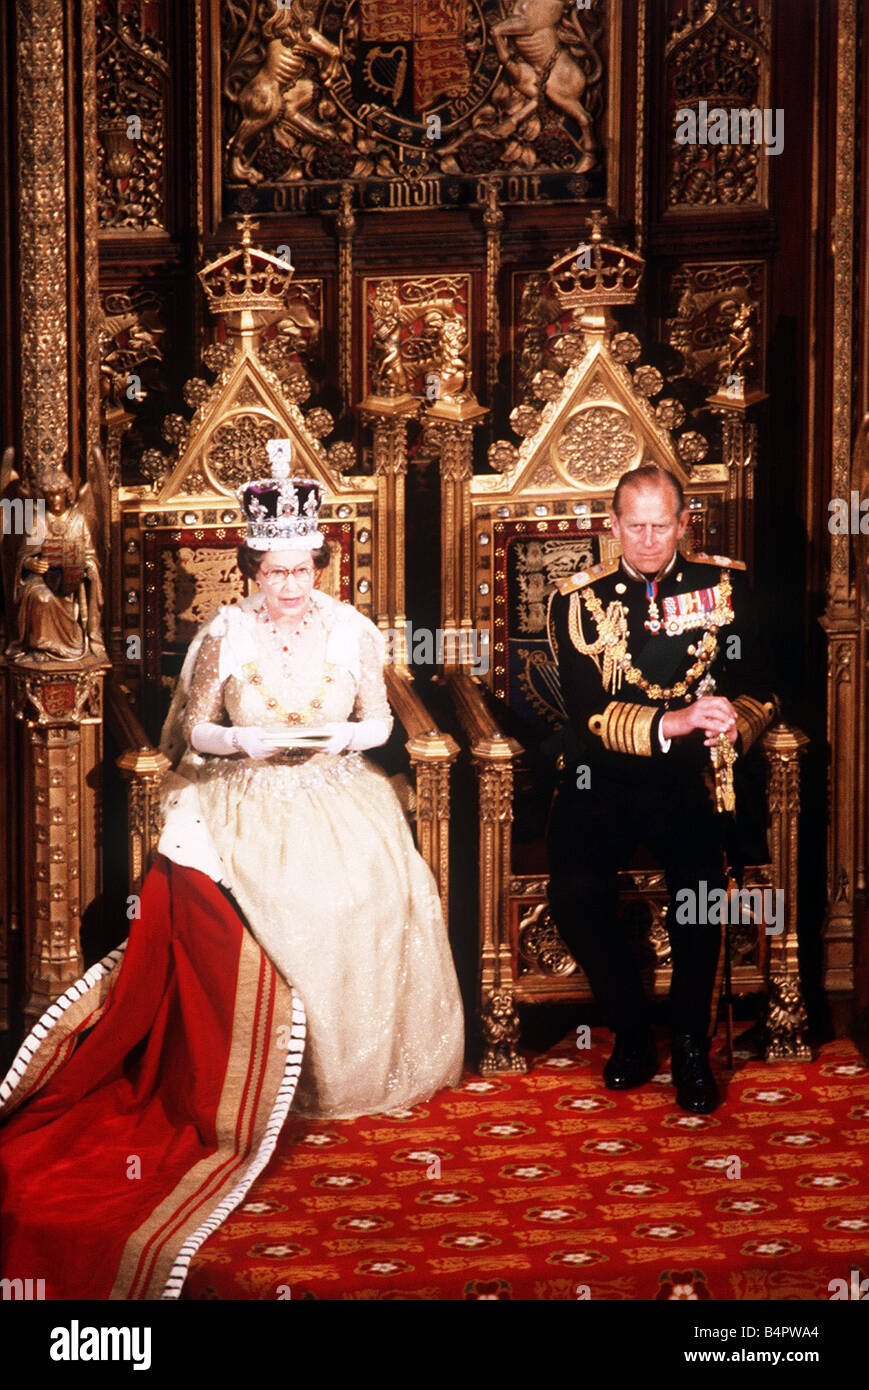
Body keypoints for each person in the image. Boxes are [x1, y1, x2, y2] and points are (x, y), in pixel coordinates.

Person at [158, 446, 465, 1118]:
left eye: (300, 572)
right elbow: (195, 732)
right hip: (248, 794)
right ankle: (277, 1081)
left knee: (372, 898)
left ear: (320, 566)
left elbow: (381, 723)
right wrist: (242, 740)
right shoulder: (225, 633)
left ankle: (358, 1072)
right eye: (274, 574)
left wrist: (341, 737)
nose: (290, 587)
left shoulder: (351, 631)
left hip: (337, 790)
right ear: (253, 572)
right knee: (293, 912)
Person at [545, 464, 777, 1114]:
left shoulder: (724, 586)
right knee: (573, 894)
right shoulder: (578, 599)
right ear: (612, 525)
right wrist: (673, 721)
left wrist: (736, 722)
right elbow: (588, 716)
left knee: (699, 899)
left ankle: (689, 1044)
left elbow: (764, 686)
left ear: (683, 523)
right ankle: (629, 1030)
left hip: (691, 776)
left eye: (660, 526)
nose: (647, 540)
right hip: (605, 777)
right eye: (634, 526)